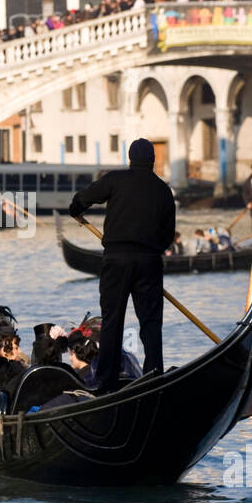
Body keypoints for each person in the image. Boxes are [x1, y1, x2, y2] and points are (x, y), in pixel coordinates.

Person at [68, 137, 174, 389]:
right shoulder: (163, 190)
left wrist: (75, 209)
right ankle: (154, 376)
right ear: (152, 161)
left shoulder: (115, 180)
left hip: (116, 259)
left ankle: (106, 381)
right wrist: (151, 249)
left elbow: (85, 197)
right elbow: (168, 234)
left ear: (129, 158)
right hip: (148, 261)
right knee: (150, 322)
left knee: (112, 320)